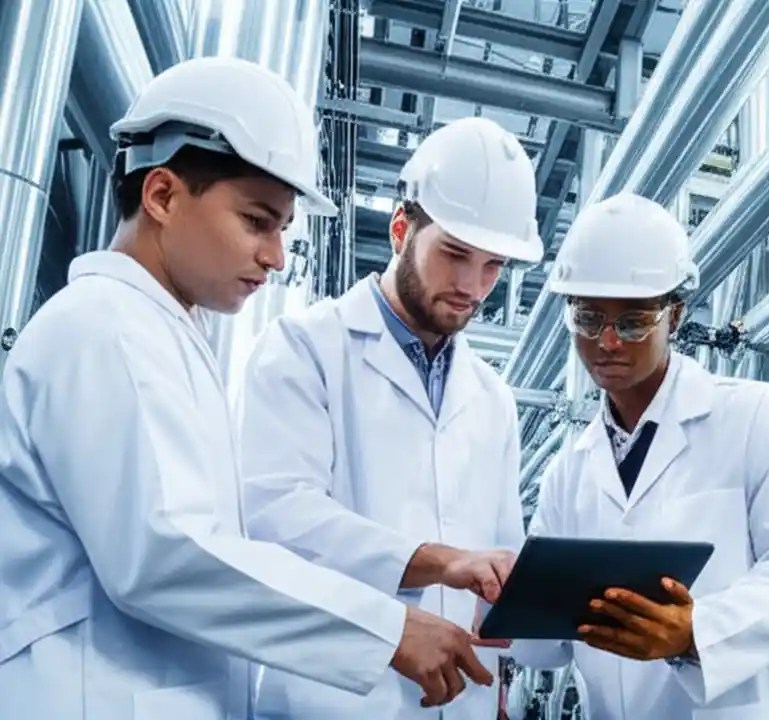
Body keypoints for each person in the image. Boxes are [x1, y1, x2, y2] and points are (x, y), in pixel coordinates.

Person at [0, 57, 504, 720]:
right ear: (162, 196)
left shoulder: (162, 335)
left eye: (282, 230)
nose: (276, 256)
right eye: (256, 221)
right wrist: (387, 630)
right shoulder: (102, 328)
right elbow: (165, 558)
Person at [232, 116, 542, 719]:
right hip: (334, 702)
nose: (472, 286)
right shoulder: (305, 349)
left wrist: (511, 637)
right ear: (402, 230)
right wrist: (439, 560)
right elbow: (275, 516)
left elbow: (500, 555)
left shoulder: (492, 397)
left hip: (465, 703)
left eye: (493, 265)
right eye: (455, 253)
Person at [511, 193, 769, 720]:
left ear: (675, 314)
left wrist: (696, 632)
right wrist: (502, 598)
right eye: (588, 317)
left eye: (632, 322)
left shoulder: (757, 417)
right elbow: (544, 647)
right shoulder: (568, 473)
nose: (608, 342)